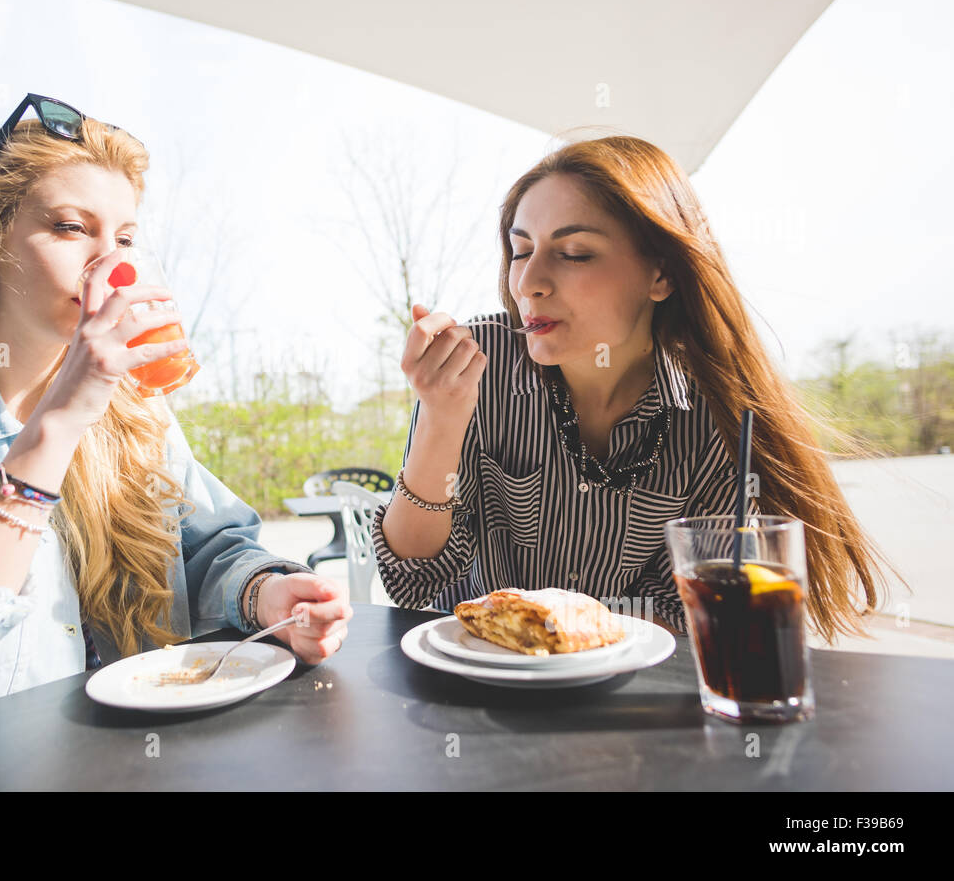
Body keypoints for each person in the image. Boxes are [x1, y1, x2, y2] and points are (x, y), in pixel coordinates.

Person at [0, 94, 351, 736]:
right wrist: (56, 427)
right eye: (69, 228)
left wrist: (266, 594)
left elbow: (204, 546)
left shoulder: (136, 406)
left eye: (123, 239)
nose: (111, 265)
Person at [373, 133, 903, 642]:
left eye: (575, 252)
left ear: (661, 276)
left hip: (627, 699)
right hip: (476, 681)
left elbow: (691, 610)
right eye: (520, 250)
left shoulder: (714, 414)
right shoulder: (476, 366)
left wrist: (573, 651)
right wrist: (441, 418)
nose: (529, 281)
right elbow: (414, 582)